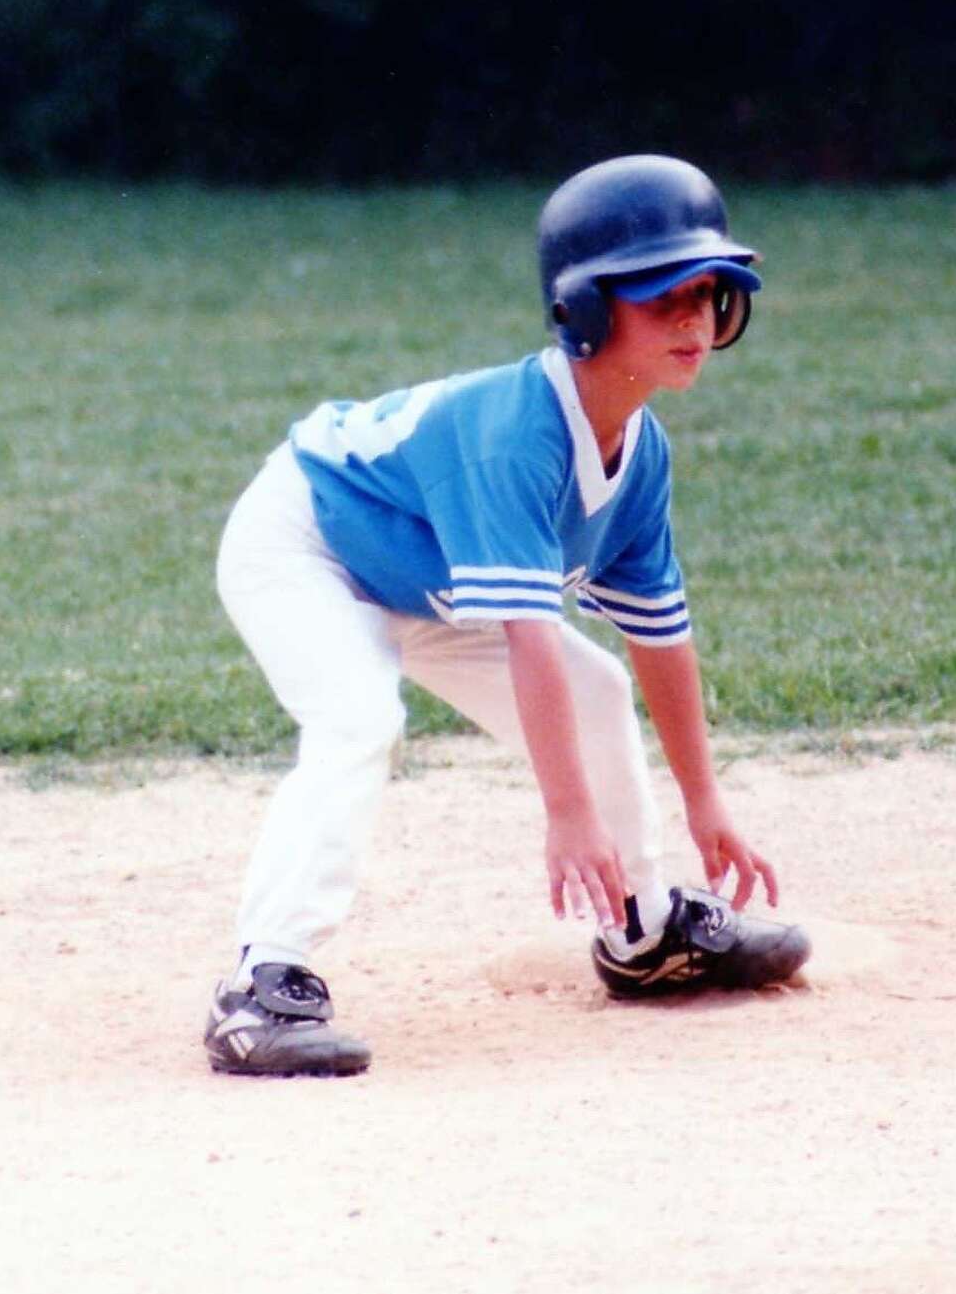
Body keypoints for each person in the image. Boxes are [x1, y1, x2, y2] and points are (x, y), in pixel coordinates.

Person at [205, 154, 811, 1077]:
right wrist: (567, 810)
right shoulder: (518, 437)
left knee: (600, 689)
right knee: (359, 714)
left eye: (709, 293)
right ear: (590, 312)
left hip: (423, 569)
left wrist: (705, 799)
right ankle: (261, 982)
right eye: (663, 297)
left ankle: (646, 933)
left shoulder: (638, 452)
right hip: (310, 542)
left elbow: (659, 637)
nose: (694, 317)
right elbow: (527, 637)